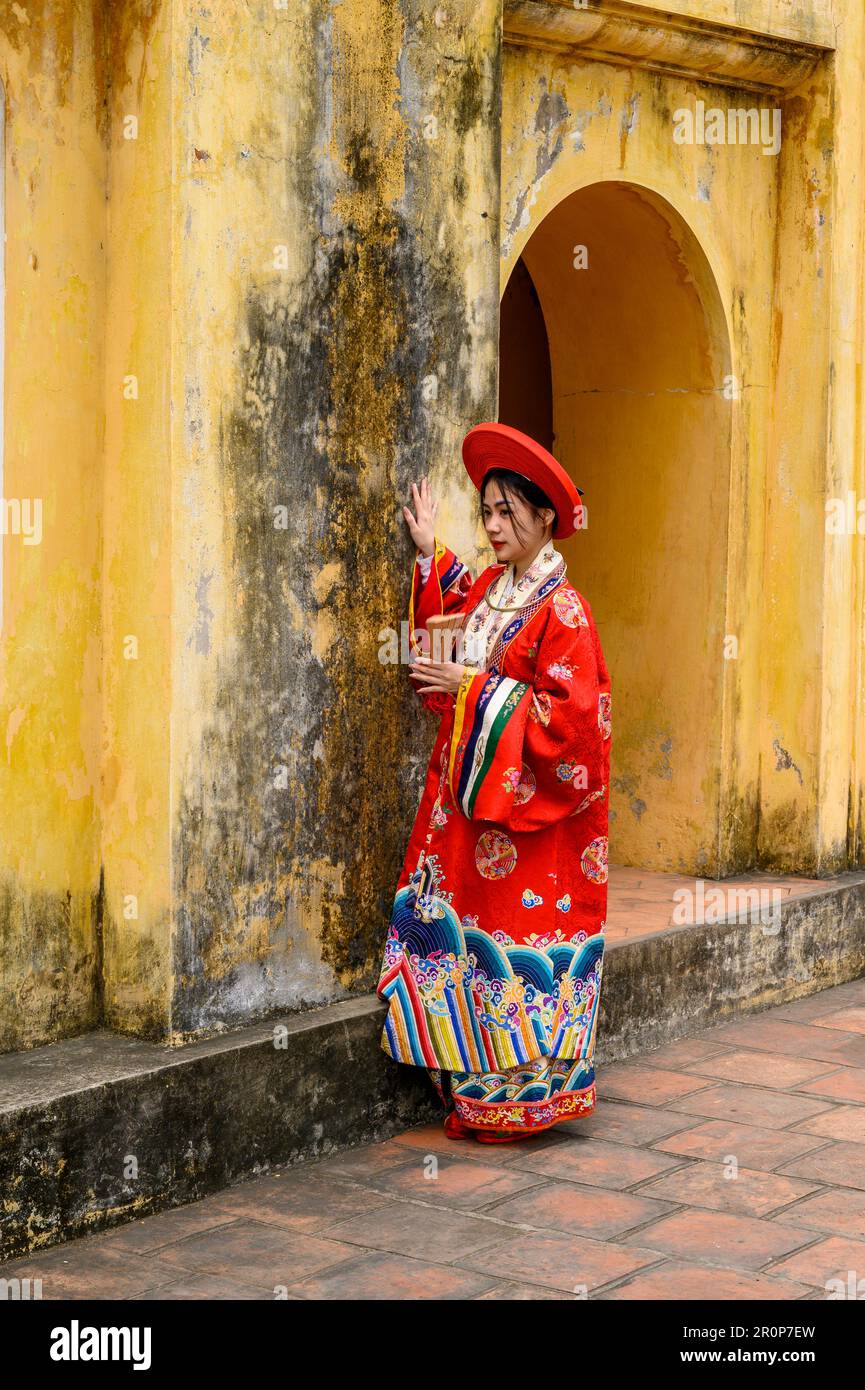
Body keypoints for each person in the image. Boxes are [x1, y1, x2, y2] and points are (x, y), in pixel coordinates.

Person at [375, 422, 612, 1143]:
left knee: (516, 940)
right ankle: (475, 1097)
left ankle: (529, 1100)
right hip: (467, 812)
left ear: (545, 517)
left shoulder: (564, 611)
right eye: (487, 511)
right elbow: (453, 614)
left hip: (529, 827)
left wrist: (474, 691)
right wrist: (428, 552)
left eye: (508, 511)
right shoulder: (493, 589)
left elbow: (569, 728)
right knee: (468, 935)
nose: (494, 524)